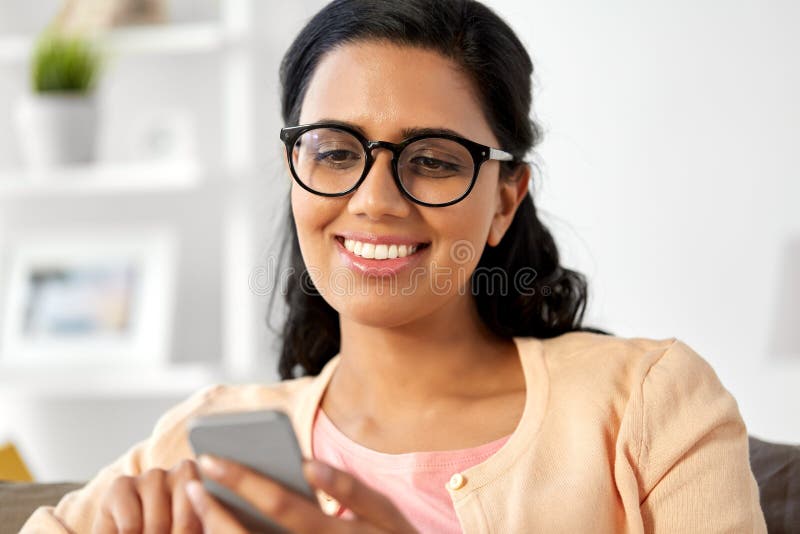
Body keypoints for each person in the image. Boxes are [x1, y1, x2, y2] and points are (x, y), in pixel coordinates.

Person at [23, 0, 767, 532]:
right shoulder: (209, 436)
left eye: (435, 159)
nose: (375, 200)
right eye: (335, 151)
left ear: (507, 197)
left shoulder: (648, 404)